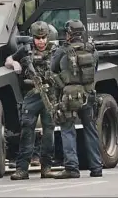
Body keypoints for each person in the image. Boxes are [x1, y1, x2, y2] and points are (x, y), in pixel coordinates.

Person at [50, 19, 103, 178]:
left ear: (68, 34)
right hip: (89, 94)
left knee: (68, 130)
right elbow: (95, 69)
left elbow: (53, 68)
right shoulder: (92, 50)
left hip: (69, 97)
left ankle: (72, 168)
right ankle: (96, 167)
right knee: (91, 130)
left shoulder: (62, 51)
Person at [7, 21, 57, 180]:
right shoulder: (26, 50)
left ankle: (46, 167)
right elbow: (9, 59)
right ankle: (22, 169)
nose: (41, 41)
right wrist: (14, 63)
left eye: (43, 37)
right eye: (38, 38)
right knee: (27, 131)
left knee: (49, 133)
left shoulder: (55, 51)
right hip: (31, 95)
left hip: (50, 95)